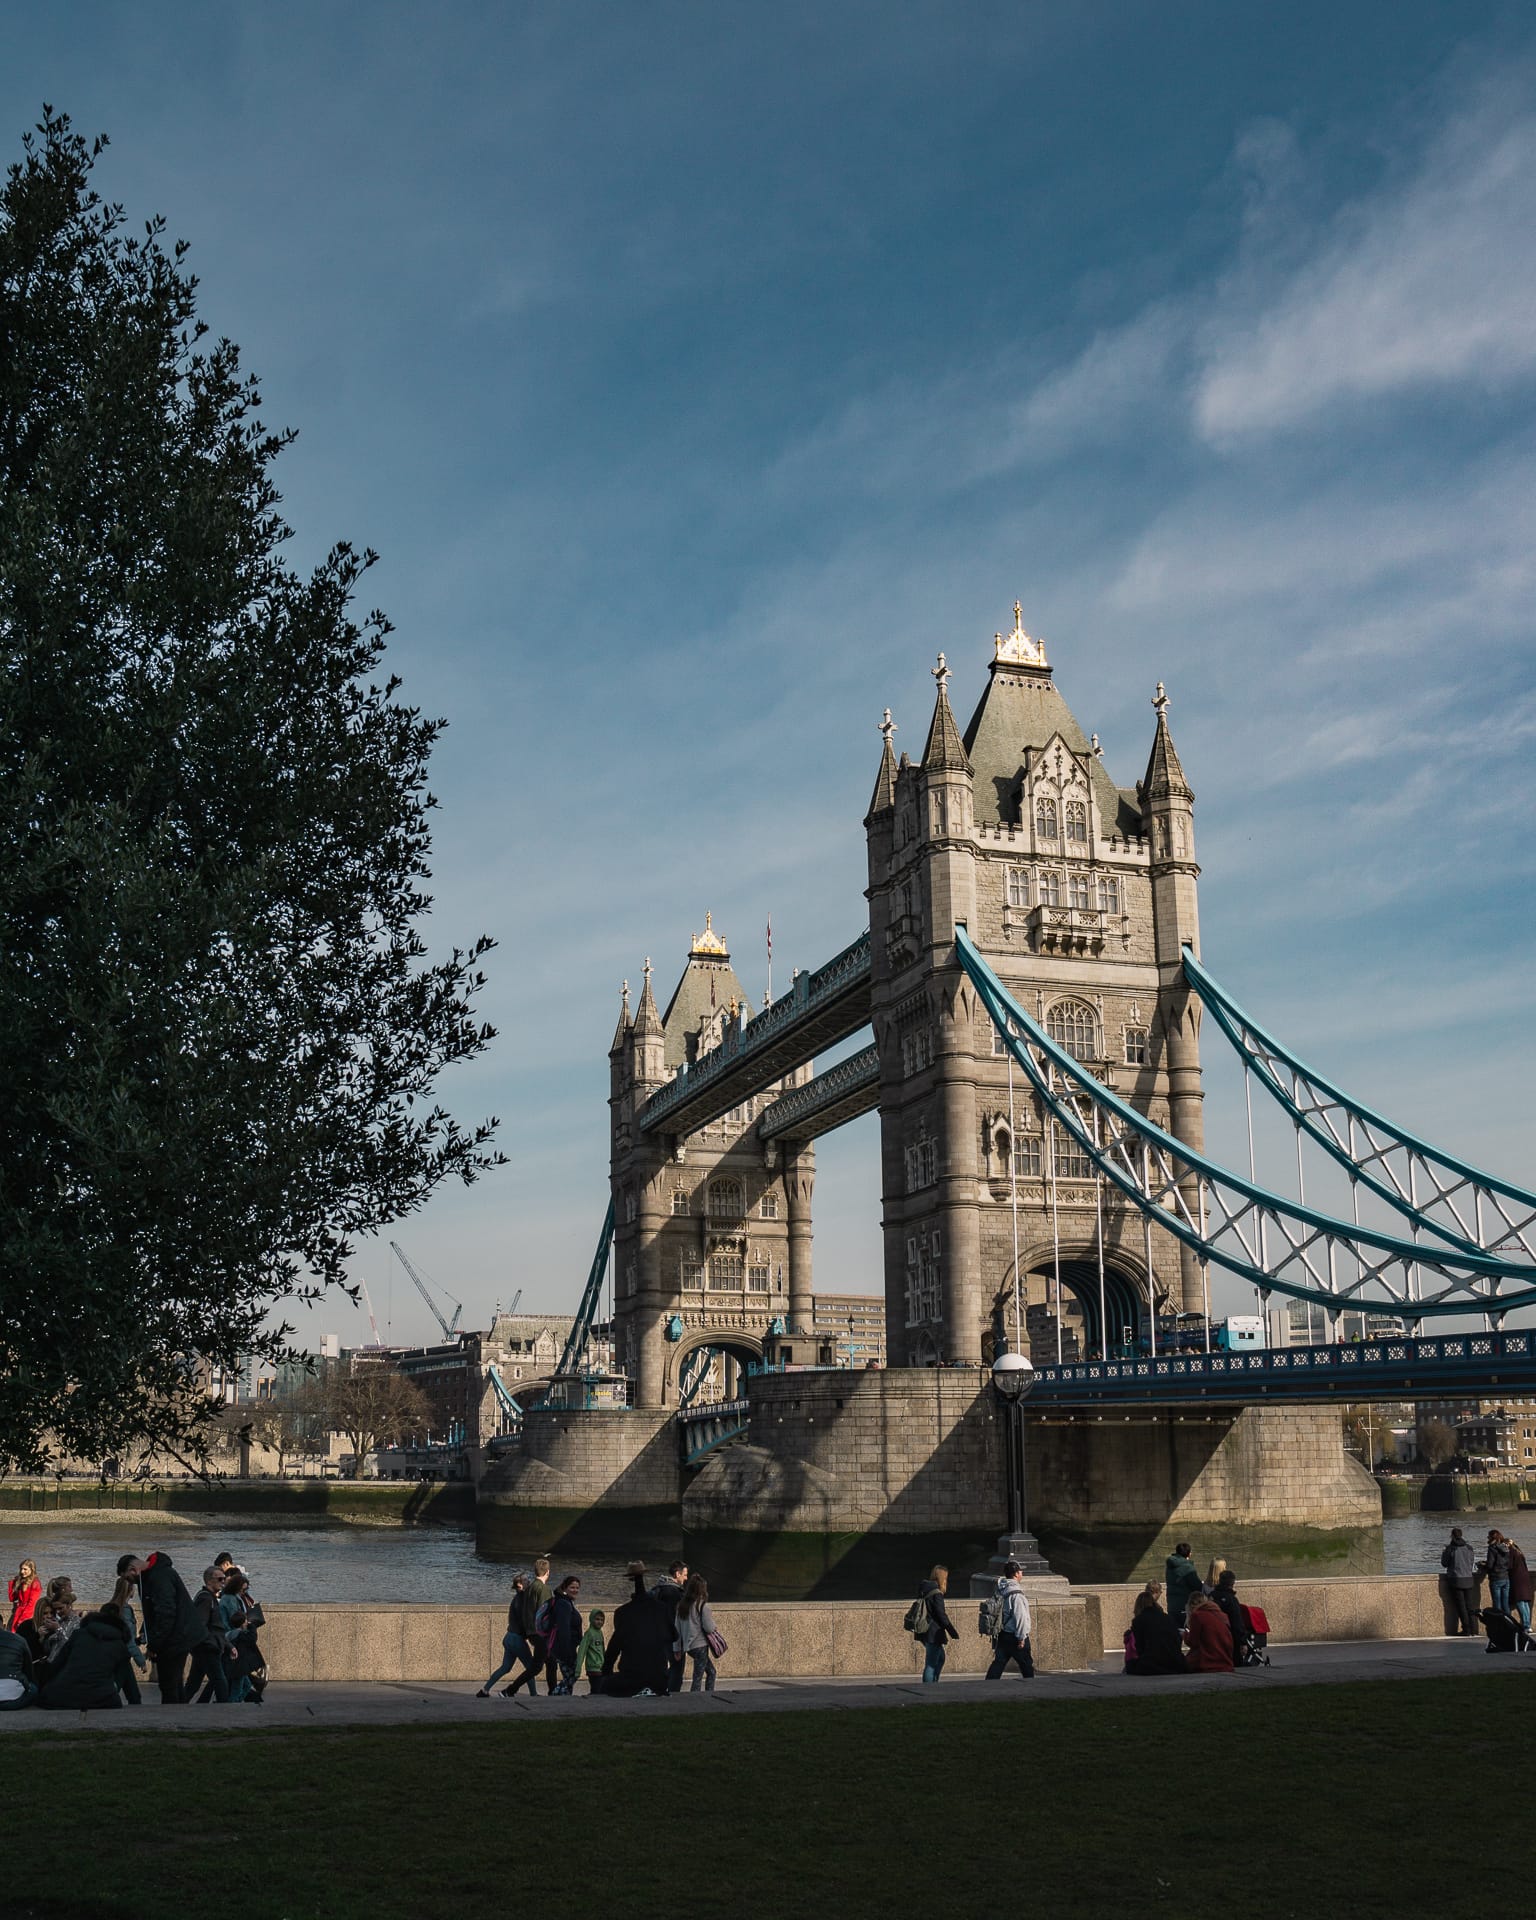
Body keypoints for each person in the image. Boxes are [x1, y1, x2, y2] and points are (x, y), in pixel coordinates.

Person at [123, 1550, 206, 1703]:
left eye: (128, 1578)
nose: (130, 1583)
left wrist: (154, 1645)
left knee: (168, 1685)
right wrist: (147, 1634)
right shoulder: (154, 1575)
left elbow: (165, 1614)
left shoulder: (158, 1577)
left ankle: (170, 1719)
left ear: (132, 1569)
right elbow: (153, 1612)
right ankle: (179, 1714)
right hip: (180, 1634)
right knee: (175, 1683)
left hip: (176, 1637)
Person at [36, 1604, 138, 1711]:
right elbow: (120, 1680)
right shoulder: (120, 1645)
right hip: (101, 1698)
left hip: (62, 1697)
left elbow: (56, 1665)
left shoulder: (78, 1635)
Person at [600, 1562, 675, 1698]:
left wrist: (606, 1671)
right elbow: (673, 1635)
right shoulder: (661, 1609)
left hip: (632, 1679)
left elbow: (613, 1649)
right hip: (658, 1679)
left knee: (606, 1684)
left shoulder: (623, 1612)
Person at [477, 1572, 532, 1697]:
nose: (529, 1582)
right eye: (525, 1581)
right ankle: (534, 1695)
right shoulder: (523, 1599)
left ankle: (484, 1690)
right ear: (519, 1585)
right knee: (531, 1668)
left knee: (505, 1668)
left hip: (509, 1637)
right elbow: (525, 1620)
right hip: (517, 1639)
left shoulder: (516, 1599)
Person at [188, 1564, 233, 1704]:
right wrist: (212, 1643)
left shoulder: (209, 1598)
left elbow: (215, 1627)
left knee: (193, 1683)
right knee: (220, 1681)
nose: (223, 1582)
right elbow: (201, 1625)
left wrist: (228, 1645)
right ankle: (224, 1709)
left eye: (224, 1578)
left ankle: (178, 1705)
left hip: (204, 1647)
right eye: (220, 1579)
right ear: (208, 1581)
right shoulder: (206, 1599)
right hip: (208, 1648)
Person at [985, 1561, 1035, 1681]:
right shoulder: (1017, 1595)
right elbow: (1020, 1617)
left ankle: (987, 1686)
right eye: (1021, 1571)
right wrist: (1021, 1638)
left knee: (999, 1663)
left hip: (1003, 1634)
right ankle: (1032, 1688)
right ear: (1017, 1574)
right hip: (1015, 1636)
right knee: (1026, 1665)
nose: (1022, 1573)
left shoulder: (1001, 1589)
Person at [674, 1573, 722, 1693]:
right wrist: (715, 1626)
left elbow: (677, 1629)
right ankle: (698, 1701)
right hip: (700, 1646)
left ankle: (707, 1697)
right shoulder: (702, 1606)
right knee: (698, 1678)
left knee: (711, 1672)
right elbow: (709, 1628)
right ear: (701, 1590)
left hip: (689, 1648)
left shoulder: (681, 1606)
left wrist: (677, 1648)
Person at [1126, 1589, 1186, 1676]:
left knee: (1130, 1665)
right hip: (1174, 1662)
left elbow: (1140, 1647)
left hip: (1153, 1663)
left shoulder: (1138, 1621)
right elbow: (1177, 1639)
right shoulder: (1167, 1618)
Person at [651, 1560, 689, 1694]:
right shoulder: (673, 1593)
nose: (686, 1578)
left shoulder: (659, 1588)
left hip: (658, 1634)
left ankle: (657, 1689)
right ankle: (673, 1696)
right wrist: (677, 1643)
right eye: (684, 1574)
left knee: (665, 1667)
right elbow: (674, 1620)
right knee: (677, 1668)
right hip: (671, 1637)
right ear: (677, 1574)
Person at [917, 1565, 959, 1683]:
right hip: (933, 1632)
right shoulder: (936, 1593)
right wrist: (952, 1631)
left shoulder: (924, 1589)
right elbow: (941, 1615)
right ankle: (929, 1687)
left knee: (940, 1658)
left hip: (924, 1629)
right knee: (931, 1663)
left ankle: (934, 1682)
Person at [546, 1575, 585, 1695]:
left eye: (577, 1587)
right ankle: (554, 1696)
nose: (575, 1590)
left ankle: (565, 1702)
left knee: (569, 1679)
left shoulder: (565, 1602)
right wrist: (567, 1653)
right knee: (571, 1677)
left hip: (566, 1648)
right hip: (565, 1650)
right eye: (572, 1587)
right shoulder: (564, 1604)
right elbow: (564, 1630)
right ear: (565, 1588)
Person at [109, 1574, 149, 1686]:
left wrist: (137, 1641)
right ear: (130, 1590)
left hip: (113, 1654)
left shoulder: (110, 1607)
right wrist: (141, 1661)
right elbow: (128, 1640)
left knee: (133, 1694)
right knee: (116, 1690)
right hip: (121, 1657)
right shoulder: (125, 1610)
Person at [1183, 1592, 1234, 1672]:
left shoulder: (1197, 1615)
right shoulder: (1221, 1614)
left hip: (1208, 1661)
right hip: (1225, 1661)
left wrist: (1185, 1633)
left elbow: (1192, 1642)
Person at [1441, 1528, 1478, 1636]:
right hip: (1469, 1578)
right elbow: (1471, 1562)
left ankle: (1466, 1629)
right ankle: (1473, 1629)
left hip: (1456, 1579)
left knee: (1461, 1606)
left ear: (1452, 1536)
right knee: (1470, 1605)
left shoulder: (1451, 1549)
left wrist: (1444, 1552)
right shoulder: (1469, 1548)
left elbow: (1445, 1563)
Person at [0, 1621, 36, 1710]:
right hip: (12, 1700)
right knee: (34, 1689)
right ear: (4, 1626)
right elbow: (28, 1669)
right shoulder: (19, 1640)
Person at [1164, 1543, 1201, 1629]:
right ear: (1189, 1553)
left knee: (1176, 1632)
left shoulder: (1170, 1567)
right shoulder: (1188, 1568)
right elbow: (1197, 1586)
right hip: (1184, 1605)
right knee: (1186, 1631)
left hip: (1172, 1606)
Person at [1211, 1568, 1245, 1656]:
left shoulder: (1211, 1596)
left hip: (1213, 1638)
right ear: (1232, 1583)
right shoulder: (1232, 1600)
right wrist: (1242, 1642)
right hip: (1229, 1638)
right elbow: (1237, 1622)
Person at [1480, 1531, 1512, 1617]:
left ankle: (1499, 1625)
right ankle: (1509, 1624)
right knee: (1505, 1604)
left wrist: (1483, 1565)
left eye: (1488, 1537)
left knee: (1497, 1604)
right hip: (1506, 1577)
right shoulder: (1506, 1548)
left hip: (1496, 1578)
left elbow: (1490, 1565)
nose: (1487, 1538)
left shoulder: (1492, 1548)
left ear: (1492, 1538)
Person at [576, 1608, 607, 1693]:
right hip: (593, 1668)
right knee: (597, 1691)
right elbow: (582, 1651)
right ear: (591, 1619)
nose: (599, 1622)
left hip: (600, 1668)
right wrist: (578, 1670)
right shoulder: (589, 1633)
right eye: (597, 1619)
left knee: (598, 1691)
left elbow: (602, 1650)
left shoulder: (599, 1633)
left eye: (601, 1620)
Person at [7, 1558, 41, 1633]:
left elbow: (32, 1603)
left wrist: (23, 1619)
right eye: (21, 1569)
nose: (22, 1572)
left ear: (31, 1570)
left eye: (25, 1569)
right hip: (18, 1612)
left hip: (27, 1614)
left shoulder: (35, 1583)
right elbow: (12, 1598)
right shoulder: (22, 1582)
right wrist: (12, 1583)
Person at [1508, 1540, 1532, 1633]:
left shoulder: (1511, 1552)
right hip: (1524, 1579)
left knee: (1520, 1602)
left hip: (1517, 1580)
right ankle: (1528, 1624)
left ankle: (1526, 1625)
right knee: (1525, 1603)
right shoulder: (1519, 1552)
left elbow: (1509, 1566)